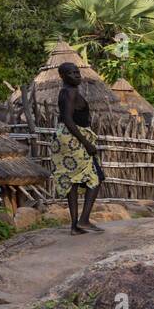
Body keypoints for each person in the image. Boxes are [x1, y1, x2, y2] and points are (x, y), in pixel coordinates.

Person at [51, 61, 105, 235]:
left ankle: (75, 226)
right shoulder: (69, 92)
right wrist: (86, 142)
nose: (76, 75)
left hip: (66, 138)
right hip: (72, 139)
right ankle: (84, 220)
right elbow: (67, 119)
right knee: (96, 177)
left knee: (72, 180)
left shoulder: (69, 92)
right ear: (62, 76)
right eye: (71, 73)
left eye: (77, 72)